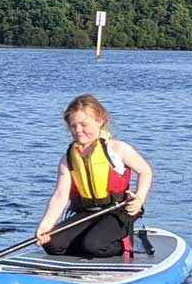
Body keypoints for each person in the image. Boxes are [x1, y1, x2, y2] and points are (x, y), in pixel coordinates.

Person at [34, 94, 154, 258]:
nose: (78, 130)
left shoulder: (118, 149)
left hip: (118, 211)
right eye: (73, 125)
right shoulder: (68, 159)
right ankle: (88, 241)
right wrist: (46, 225)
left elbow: (145, 171)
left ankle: (122, 245)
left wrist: (139, 199)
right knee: (52, 244)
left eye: (84, 124)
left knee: (93, 246)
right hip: (87, 212)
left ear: (100, 121)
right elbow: (60, 196)